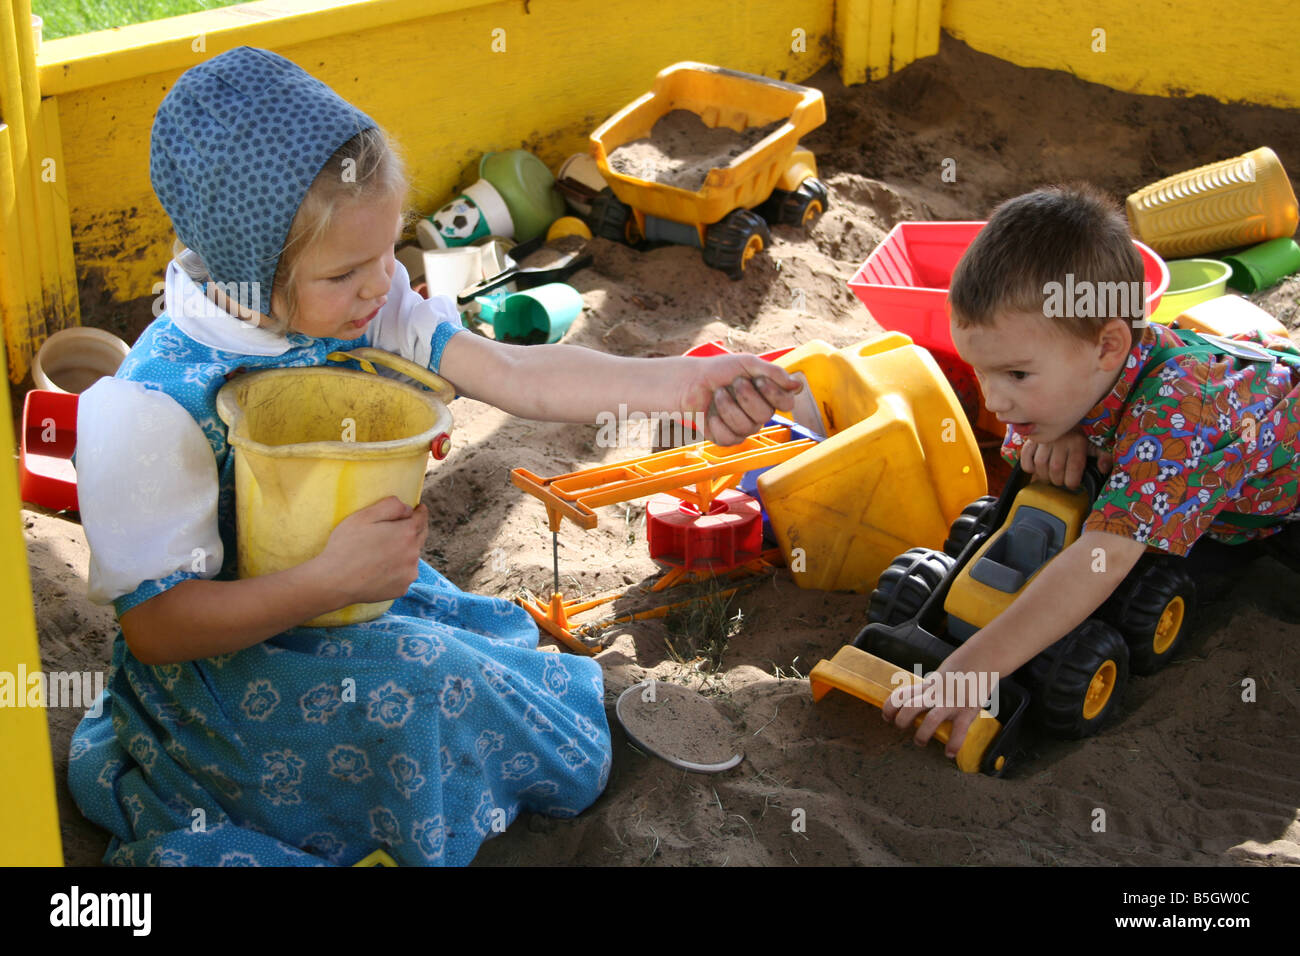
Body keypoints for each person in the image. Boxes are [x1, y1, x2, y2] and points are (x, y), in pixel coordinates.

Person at [67, 46, 801, 866]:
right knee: (425, 689)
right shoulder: (151, 404)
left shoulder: (358, 305)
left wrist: (684, 387)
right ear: (249, 272)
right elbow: (159, 626)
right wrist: (325, 581)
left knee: (474, 666)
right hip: (229, 666)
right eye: (347, 271)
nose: (383, 284)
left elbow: (517, 372)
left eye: (387, 252)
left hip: (354, 591)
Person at [882, 184, 1300, 755]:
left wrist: (971, 669)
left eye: (1017, 376)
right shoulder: (1085, 373)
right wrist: (1066, 427)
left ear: (1108, 347)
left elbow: (1099, 562)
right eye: (983, 373)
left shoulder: (1177, 415)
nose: (996, 401)